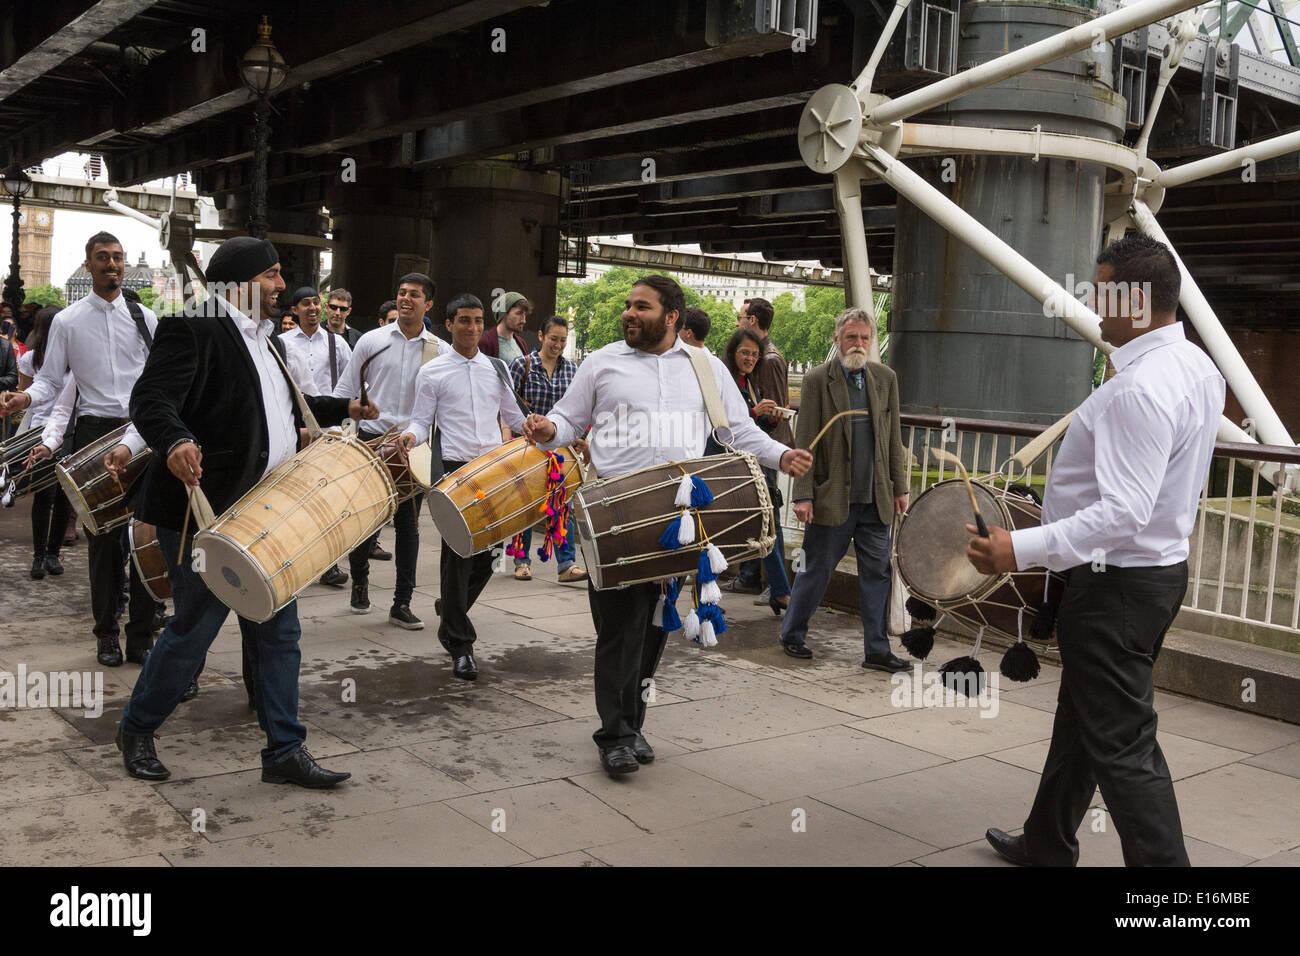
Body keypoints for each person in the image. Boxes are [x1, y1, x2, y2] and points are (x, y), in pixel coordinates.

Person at [974, 235, 1223, 868]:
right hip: (1154, 576)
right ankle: (1047, 842)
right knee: (1083, 718)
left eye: (1102, 288)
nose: (1092, 300)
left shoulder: (1137, 389)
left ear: (1135, 301)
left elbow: (1124, 512)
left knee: (1124, 746)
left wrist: (1019, 547)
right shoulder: (1198, 368)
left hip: (1115, 586)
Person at [109, 236, 379, 787]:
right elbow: (151, 400)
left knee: (279, 632)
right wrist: (176, 438)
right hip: (202, 509)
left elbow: (279, 407)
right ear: (238, 282)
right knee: (193, 629)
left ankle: (284, 749)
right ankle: (137, 728)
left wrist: (342, 408)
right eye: (272, 276)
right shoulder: (192, 325)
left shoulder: (267, 340)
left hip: (264, 511)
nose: (283, 287)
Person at [522, 275, 812, 777]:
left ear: (672, 317)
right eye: (628, 306)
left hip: (677, 519)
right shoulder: (602, 361)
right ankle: (613, 734)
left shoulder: (706, 368)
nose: (629, 314)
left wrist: (782, 453)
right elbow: (567, 421)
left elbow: (736, 430)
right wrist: (549, 430)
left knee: (656, 625)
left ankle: (633, 724)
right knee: (617, 628)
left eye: (642, 307)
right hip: (615, 514)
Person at [0, 232, 158, 667]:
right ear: (88, 265)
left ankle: (142, 634)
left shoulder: (147, 319)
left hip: (143, 430)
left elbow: (159, 383)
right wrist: (25, 399)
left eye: (118, 258)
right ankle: (106, 633)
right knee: (103, 539)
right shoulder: (69, 322)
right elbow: (52, 382)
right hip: (93, 433)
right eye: (103, 258)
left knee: (149, 537)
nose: (113, 265)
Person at [400, 293, 525, 681]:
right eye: (464, 321)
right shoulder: (433, 372)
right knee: (458, 555)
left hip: (493, 469)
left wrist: (553, 433)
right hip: (454, 470)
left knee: (493, 552)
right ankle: (460, 643)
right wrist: (409, 435)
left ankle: (450, 608)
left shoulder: (497, 369)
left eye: (478, 321)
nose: (472, 328)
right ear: (449, 324)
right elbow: (422, 422)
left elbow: (516, 419)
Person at [779, 307, 909, 672]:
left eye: (865, 338)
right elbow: (805, 441)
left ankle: (877, 650)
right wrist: (803, 495)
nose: (859, 344)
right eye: (851, 337)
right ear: (837, 339)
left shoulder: (886, 379)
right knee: (816, 570)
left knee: (877, 575)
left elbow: (893, 438)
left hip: (876, 499)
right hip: (831, 498)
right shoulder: (819, 380)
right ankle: (792, 633)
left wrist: (900, 489)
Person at [335, 273, 441, 627]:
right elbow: (345, 390)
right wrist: (338, 435)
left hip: (413, 448)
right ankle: (361, 582)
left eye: (414, 295)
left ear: (429, 304)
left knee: (409, 527)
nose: (405, 299)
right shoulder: (372, 340)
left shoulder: (438, 351)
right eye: (401, 293)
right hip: (371, 443)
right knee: (365, 523)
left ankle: (402, 602)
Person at [708, 328, 791, 614]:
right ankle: (776, 591)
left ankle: (777, 590)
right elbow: (723, 429)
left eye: (755, 355)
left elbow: (751, 431)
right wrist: (755, 414)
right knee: (718, 532)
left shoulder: (750, 383)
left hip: (749, 467)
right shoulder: (724, 383)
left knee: (765, 525)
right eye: (745, 352)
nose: (750, 358)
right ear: (732, 353)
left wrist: (768, 418)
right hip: (729, 470)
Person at [280, 286, 352, 587]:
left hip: (328, 430)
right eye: (305, 303)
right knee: (292, 495)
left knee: (326, 496)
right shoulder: (280, 343)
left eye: (316, 303)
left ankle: (329, 563)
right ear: (294, 310)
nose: (313, 308)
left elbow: (351, 384)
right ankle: (289, 558)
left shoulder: (337, 344)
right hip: (293, 428)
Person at [726, 297, 795, 601]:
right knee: (759, 518)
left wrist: (775, 447)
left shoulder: (769, 360)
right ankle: (762, 581)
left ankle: (767, 583)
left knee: (765, 518)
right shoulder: (749, 370)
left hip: (760, 454)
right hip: (754, 452)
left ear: (752, 320)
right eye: (745, 353)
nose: (738, 321)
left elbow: (772, 411)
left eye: (741, 317)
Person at [508, 314, 586, 583]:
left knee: (563, 504)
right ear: (541, 336)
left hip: (560, 447)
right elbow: (506, 404)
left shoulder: (572, 370)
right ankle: (521, 560)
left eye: (563, 340)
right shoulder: (522, 365)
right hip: (527, 445)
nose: (558, 345)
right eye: (553, 339)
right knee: (526, 502)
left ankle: (566, 564)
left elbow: (579, 409)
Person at [14, 306, 75, 579]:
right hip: (40, 432)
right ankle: (41, 555)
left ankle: (51, 553)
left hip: (68, 430)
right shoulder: (30, 359)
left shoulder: (75, 358)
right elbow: (27, 394)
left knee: (63, 496)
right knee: (45, 495)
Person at [479, 291, 530, 368]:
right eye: (519, 313)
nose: (523, 320)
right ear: (503, 314)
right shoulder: (485, 342)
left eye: (525, 315)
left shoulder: (522, 343)